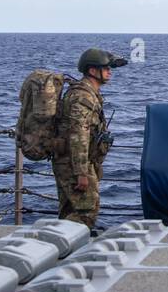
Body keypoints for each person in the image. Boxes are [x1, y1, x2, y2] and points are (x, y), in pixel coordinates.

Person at [52, 48, 124, 230]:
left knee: (70, 210)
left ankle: (63, 251)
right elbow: (78, 135)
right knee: (86, 212)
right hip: (73, 164)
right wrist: (81, 173)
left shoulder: (88, 94)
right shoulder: (83, 96)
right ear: (92, 71)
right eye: (106, 68)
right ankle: (58, 248)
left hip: (72, 162)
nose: (110, 71)